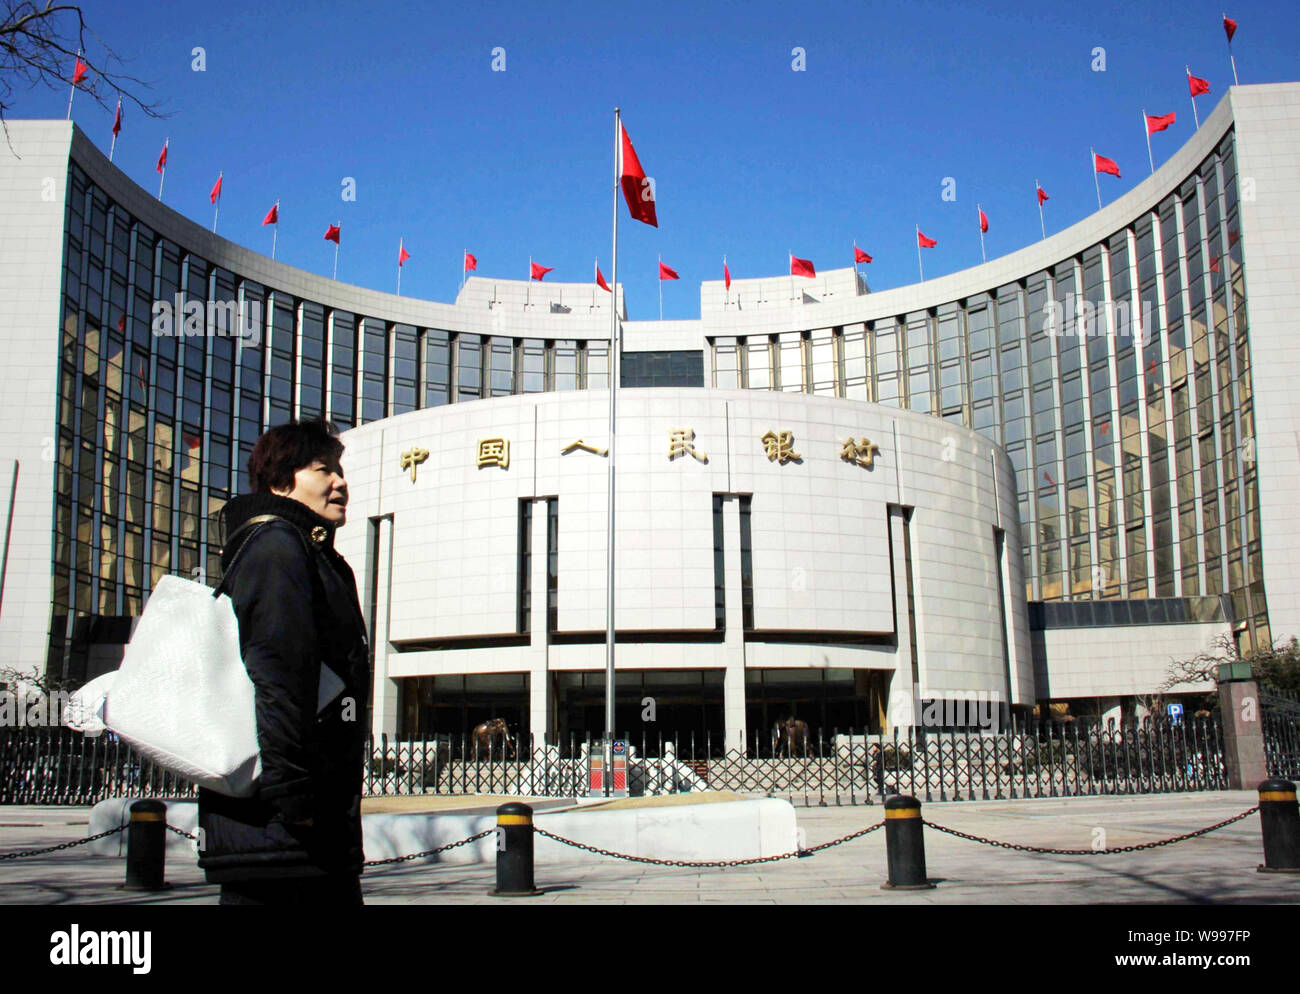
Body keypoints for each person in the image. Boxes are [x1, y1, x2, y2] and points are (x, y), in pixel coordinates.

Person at [197, 419, 370, 906]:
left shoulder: (309, 552)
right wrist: (291, 799)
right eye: (323, 470)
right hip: (285, 832)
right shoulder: (278, 549)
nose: (341, 483)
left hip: (305, 827)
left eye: (340, 470)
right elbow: (275, 676)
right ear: (280, 482)